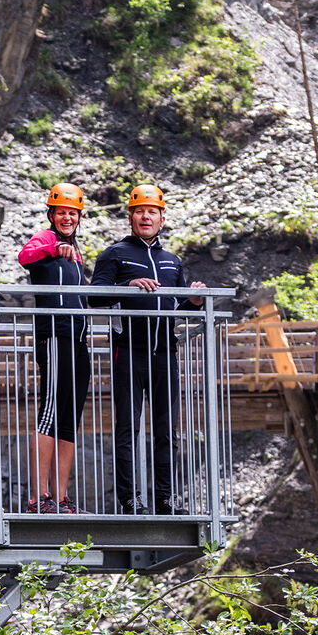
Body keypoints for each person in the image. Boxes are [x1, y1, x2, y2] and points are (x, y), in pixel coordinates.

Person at [91, 183, 204, 514]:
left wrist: (195, 301)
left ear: (162, 219)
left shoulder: (172, 261)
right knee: (128, 430)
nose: (146, 217)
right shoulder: (114, 254)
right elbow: (94, 297)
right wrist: (127, 285)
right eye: (139, 211)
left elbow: (178, 307)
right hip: (127, 352)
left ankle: (166, 500)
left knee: (167, 431)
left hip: (165, 354)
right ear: (130, 217)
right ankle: (129, 500)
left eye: (152, 212)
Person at [17, 182, 90, 513]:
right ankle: (39, 498)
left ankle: (61, 498)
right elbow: (25, 256)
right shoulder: (46, 239)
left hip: (77, 338)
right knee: (49, 414)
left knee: (69, 418)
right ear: (51, 214)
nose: (67, 218)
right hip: (55, 335)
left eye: (72, 213)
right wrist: (53, 249)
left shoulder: (76, 251)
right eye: (61, 213)